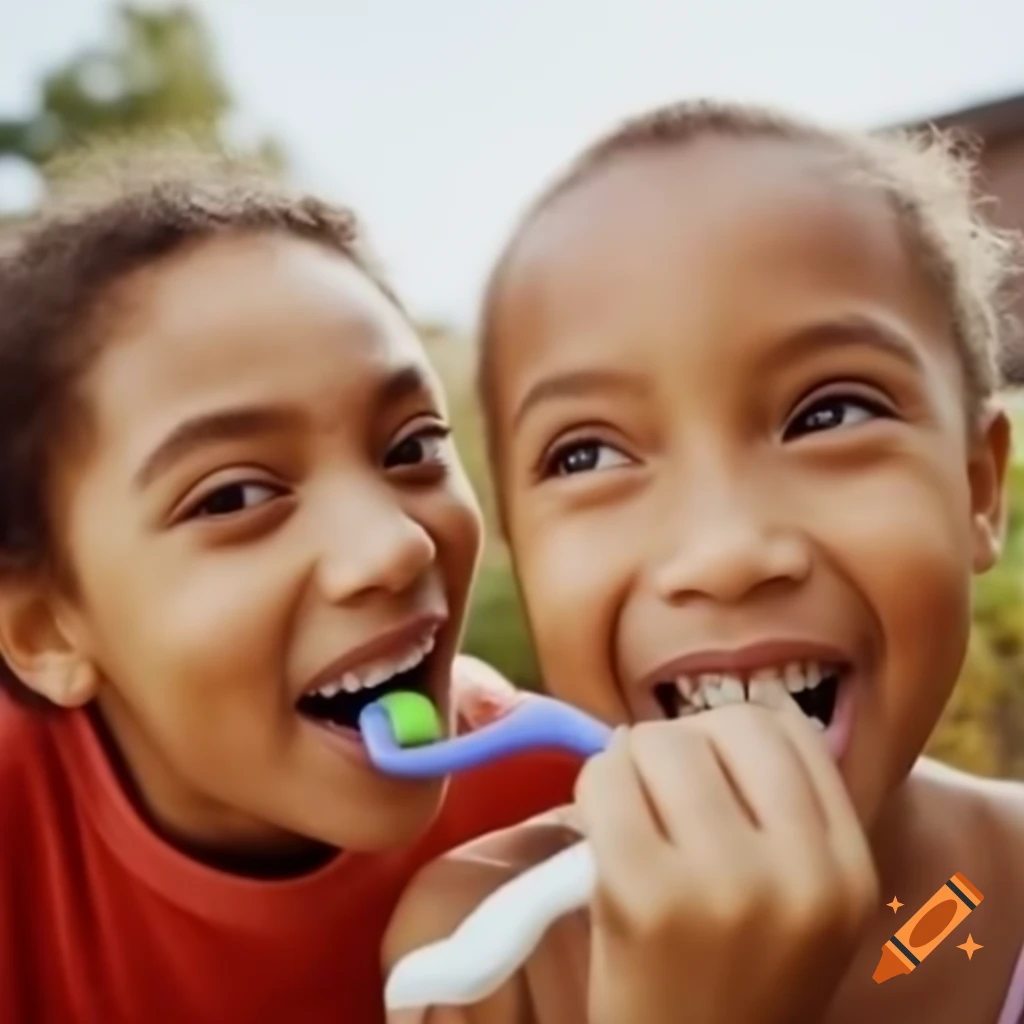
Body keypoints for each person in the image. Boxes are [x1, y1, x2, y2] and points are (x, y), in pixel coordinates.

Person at [384, 100, 1024, 1024]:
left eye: (831, 413)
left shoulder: (978, 902)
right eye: (588, 455)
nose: (723, 554)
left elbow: (936, 930)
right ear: (523, 553)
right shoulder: (484, 957)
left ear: (976, 489)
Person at [0, 151, 578, 1024]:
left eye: (413, 446)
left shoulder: (553, 798)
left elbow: (876, 947)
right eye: (233, 497)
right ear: (46, 630)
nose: (394, 545)